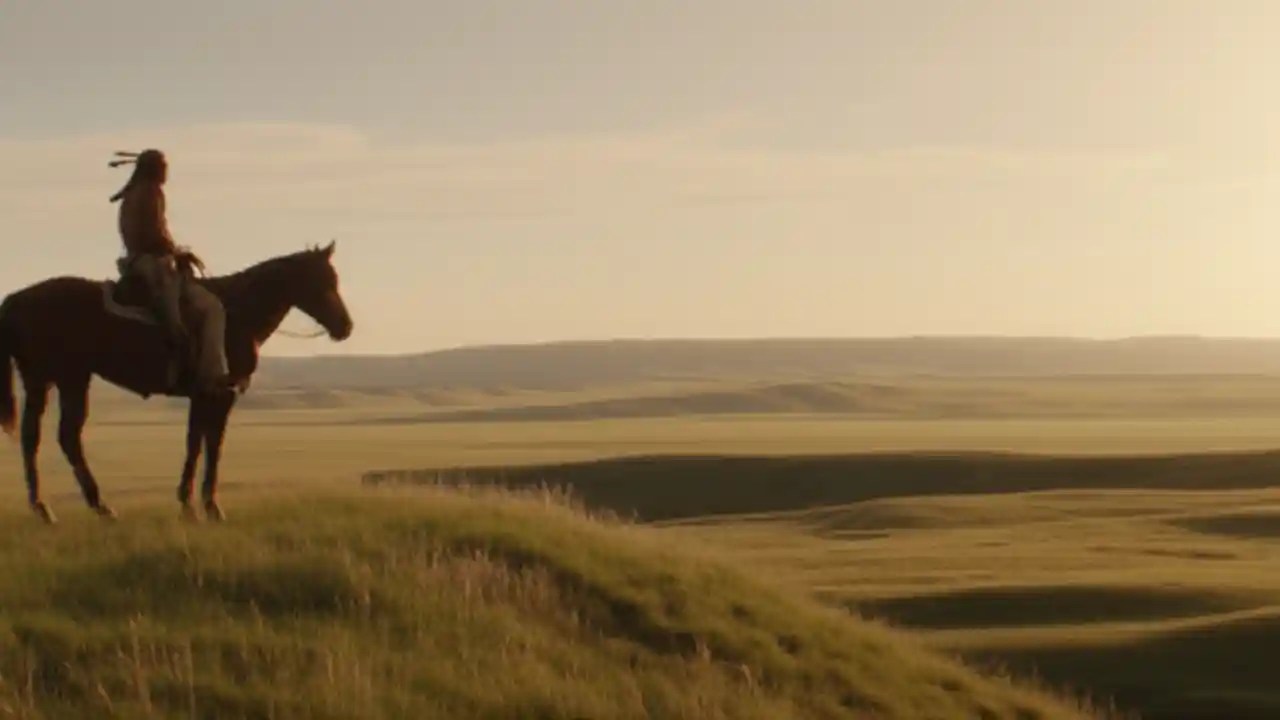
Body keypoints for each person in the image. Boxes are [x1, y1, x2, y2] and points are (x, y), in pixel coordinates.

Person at [109, 149, 232, 395]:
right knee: (211, 307)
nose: (166, 171)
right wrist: (176, 253)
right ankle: (211, 374)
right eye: (162, 166)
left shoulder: (133, 193)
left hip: (135, 261)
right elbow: (154, 234)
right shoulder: (150, 192)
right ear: (152, 168)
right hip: (150, 262)